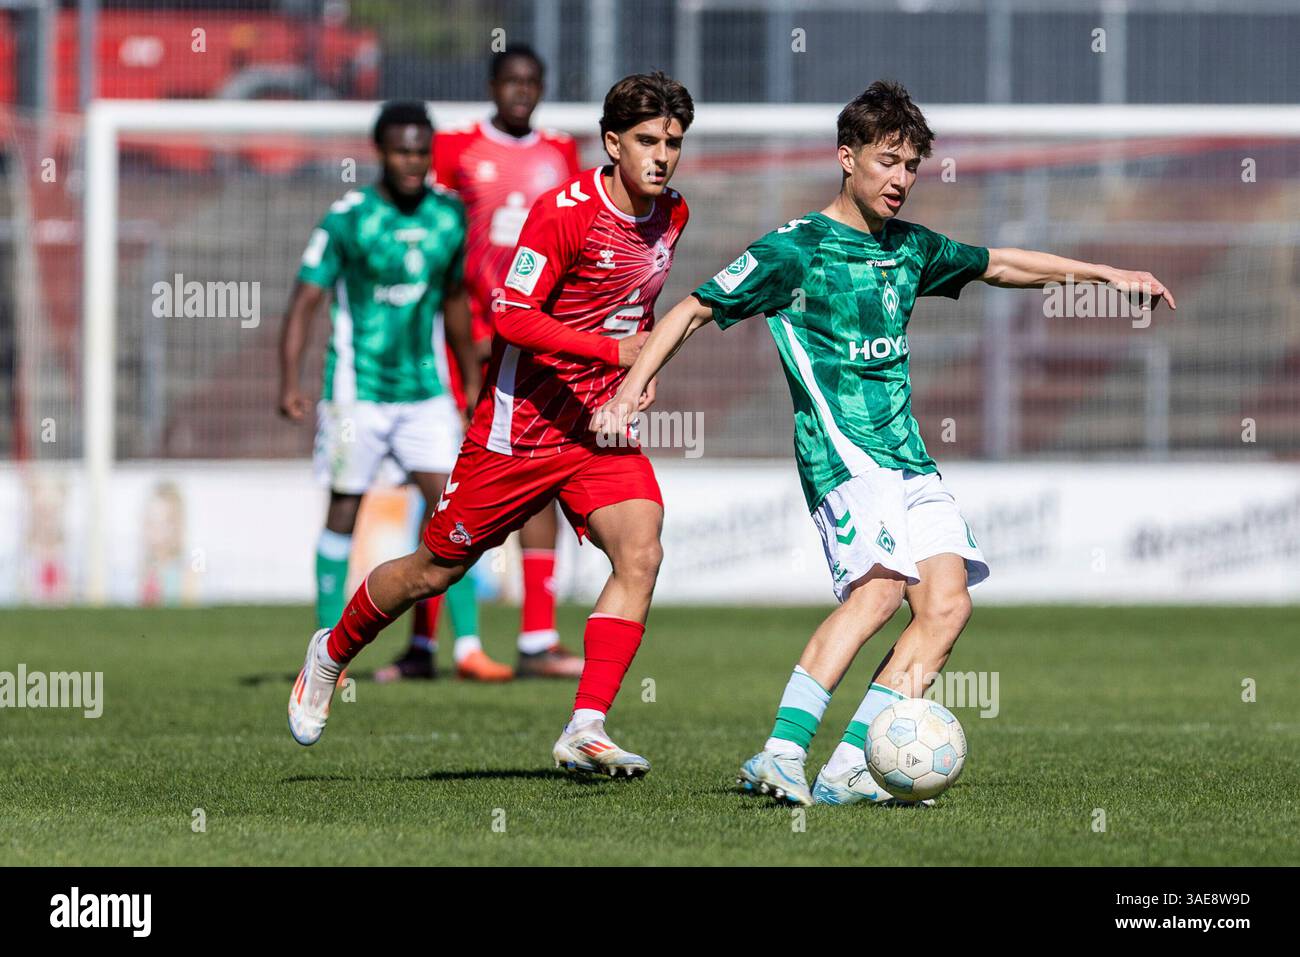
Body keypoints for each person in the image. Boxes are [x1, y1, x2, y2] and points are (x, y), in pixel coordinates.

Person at [593, 79, 1175, 805]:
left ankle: (849, 768)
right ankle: (778, 752)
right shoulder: (796, 249)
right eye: (887, 160)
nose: (900, 179)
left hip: (907, 457)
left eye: (910, 166)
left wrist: (1106, 275)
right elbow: (691, 309)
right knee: (878, 592)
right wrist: (628, 389)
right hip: (841, 454)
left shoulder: (910, 249)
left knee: (947, 605)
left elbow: (1001, 264)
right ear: (847, 157)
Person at [288, 73, 695, 779]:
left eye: (673, 143)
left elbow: (636, 305)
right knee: (433, 570)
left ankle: (586, 725)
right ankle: (329, 652)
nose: (661, 156)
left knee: (641, 552)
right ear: (610, 143)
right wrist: (614, 352)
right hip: (522, 426)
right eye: (647, 141)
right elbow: (510, 314)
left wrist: (640, 369)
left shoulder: (672, 214)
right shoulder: (563, 212)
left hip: (597, 428)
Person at [278, 100, 506, 683]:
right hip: (357, 393)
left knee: (456, 510)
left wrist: (472, 381)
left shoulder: (449, 216)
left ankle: (467, 648)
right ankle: (326, 649)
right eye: (402, 150)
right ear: (380, 152)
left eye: (422, 151)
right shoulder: (348, 218)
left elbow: (455, 300)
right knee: (344, 511)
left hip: (425, 393)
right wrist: (291, 381)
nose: (413, 161)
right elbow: (306, 300)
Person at [377, 43, 585, 683]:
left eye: (532, 81)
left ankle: (537, 639)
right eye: (511, 80)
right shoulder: (458, 149)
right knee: (446, 485)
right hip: (464, 342)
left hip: (538, 343)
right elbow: (431, 228)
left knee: (542, 476)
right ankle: (422, 644)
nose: (521, 91)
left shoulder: (560, 153)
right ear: (493, 84)